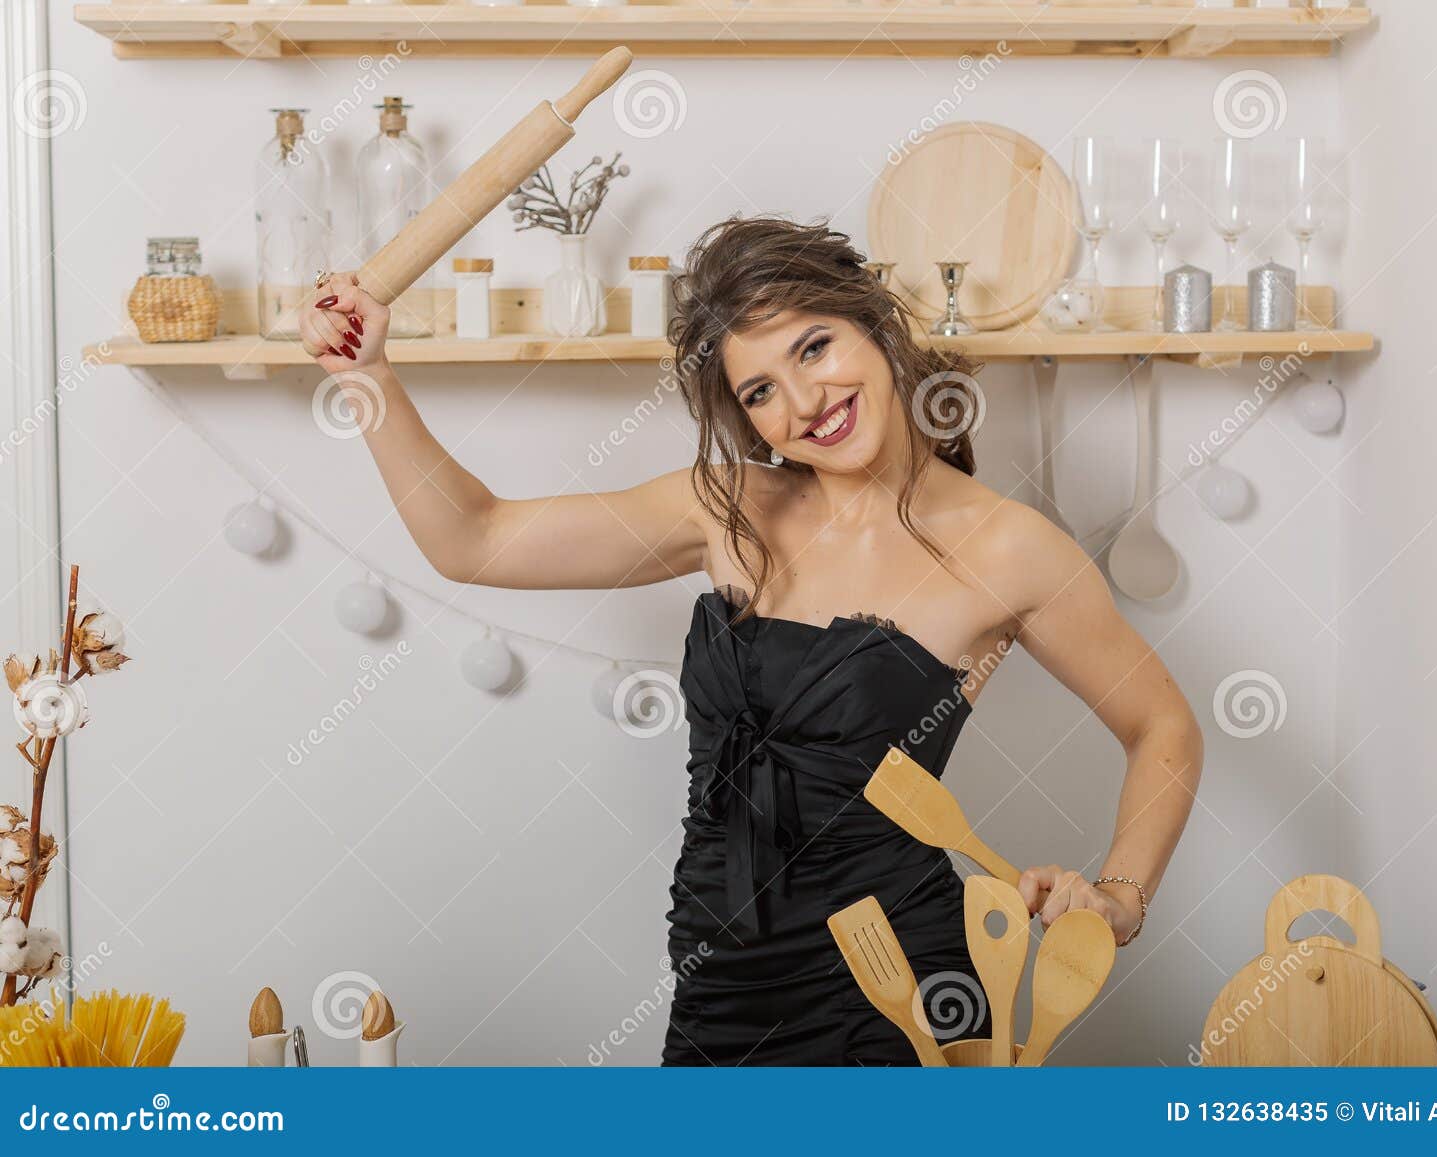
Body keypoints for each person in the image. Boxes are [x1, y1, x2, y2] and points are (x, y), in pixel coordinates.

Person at [299, 214, 1204, 1066]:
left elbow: (1162, 726)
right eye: (761, 389)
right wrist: (368, 377)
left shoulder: (1010, 547)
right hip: (718, 974)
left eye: (816, 346)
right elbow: (476, 538)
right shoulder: (727, 507)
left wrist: (1117, 900)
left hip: (898, 979)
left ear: (878, 328)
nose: (807, 400)